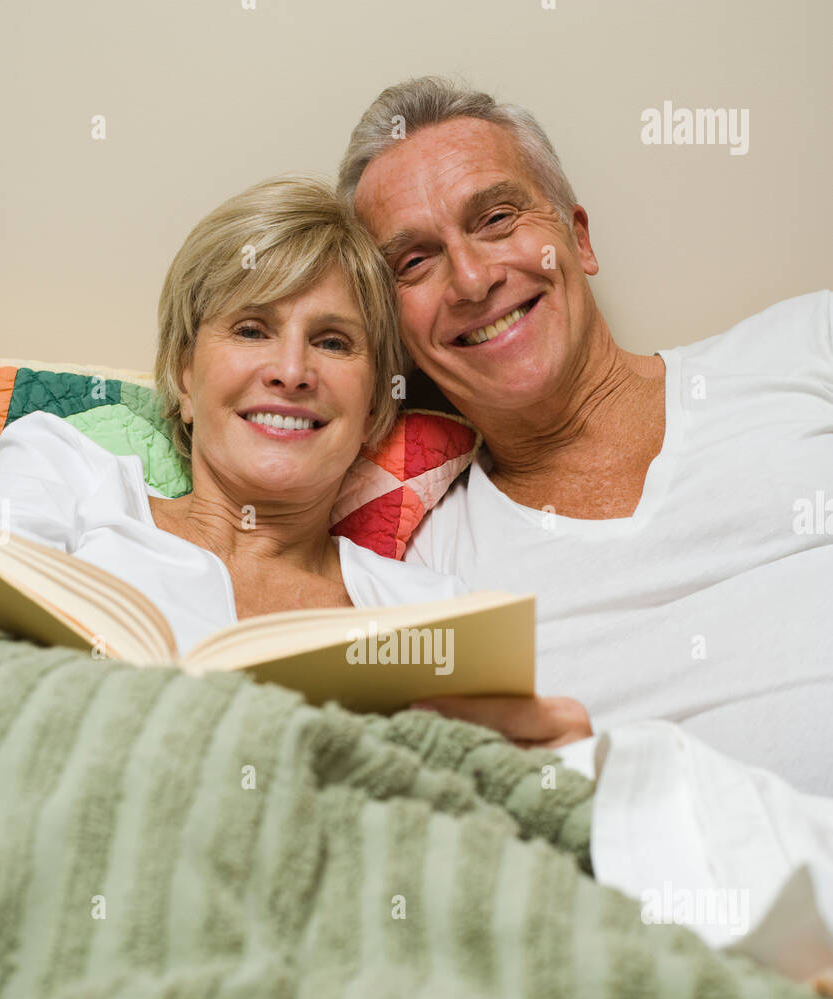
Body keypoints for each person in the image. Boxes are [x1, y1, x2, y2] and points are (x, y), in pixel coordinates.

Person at [0, 176, 592, 748]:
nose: (291, 372)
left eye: (332, 342)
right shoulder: (60, 470)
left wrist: (553, 759)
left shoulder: (431, 616)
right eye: (250, 329)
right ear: (185, 378)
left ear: (375, 405)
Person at [339, 76, 833, 794]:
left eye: (498, 218)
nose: (473, 279)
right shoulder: (425, 574)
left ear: (577, 238)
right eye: (414, 261)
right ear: (397, 334)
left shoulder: (807, 351)